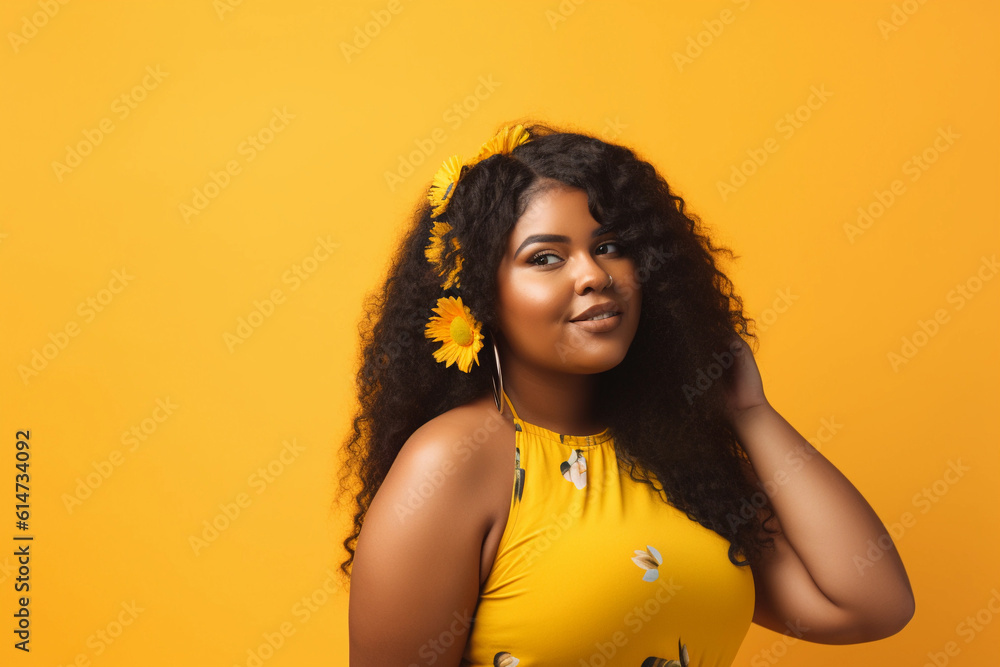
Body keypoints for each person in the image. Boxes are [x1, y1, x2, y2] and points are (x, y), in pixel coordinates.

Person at [338, 122, 914, 666]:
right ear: (478, 296)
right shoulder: (453, 462)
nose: (593, 274)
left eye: (611, 246)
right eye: (545, 257)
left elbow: (868, 605)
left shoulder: (682, 461)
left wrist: (750, 412)